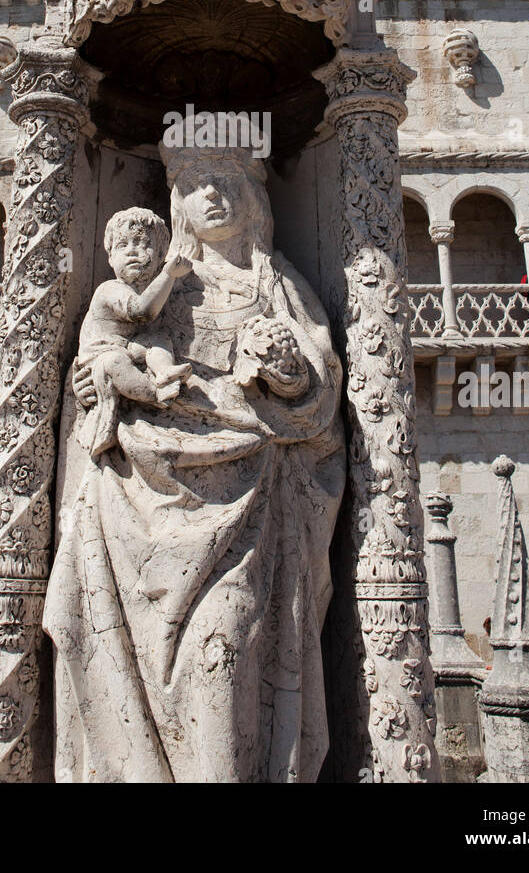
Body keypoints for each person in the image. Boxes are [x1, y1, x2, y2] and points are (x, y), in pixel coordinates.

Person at [44, 144, 345, 783]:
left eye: (230, 182)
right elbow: (97, 354)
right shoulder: (150, 283)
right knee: (96, 635)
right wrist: (98, 376)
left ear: (256, 200)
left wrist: (285, 374)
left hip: (249, 504)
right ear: (176, 202)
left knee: (224, 649)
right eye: (200, 184)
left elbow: (321, 386)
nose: (216, 195)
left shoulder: (278, 285)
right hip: (136, 497)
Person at [73, 207, 192, 458]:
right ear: (110, 256)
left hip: (129, 350)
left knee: (157, 340)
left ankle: (164, 373)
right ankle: (154, 393)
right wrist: (169, 274)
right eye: (122, 245)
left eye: (141, 243)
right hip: (102, 358)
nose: (132, 251)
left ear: (161, 254)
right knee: (115, 361)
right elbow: (142, 311)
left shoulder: (165, 292)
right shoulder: (110, 289)